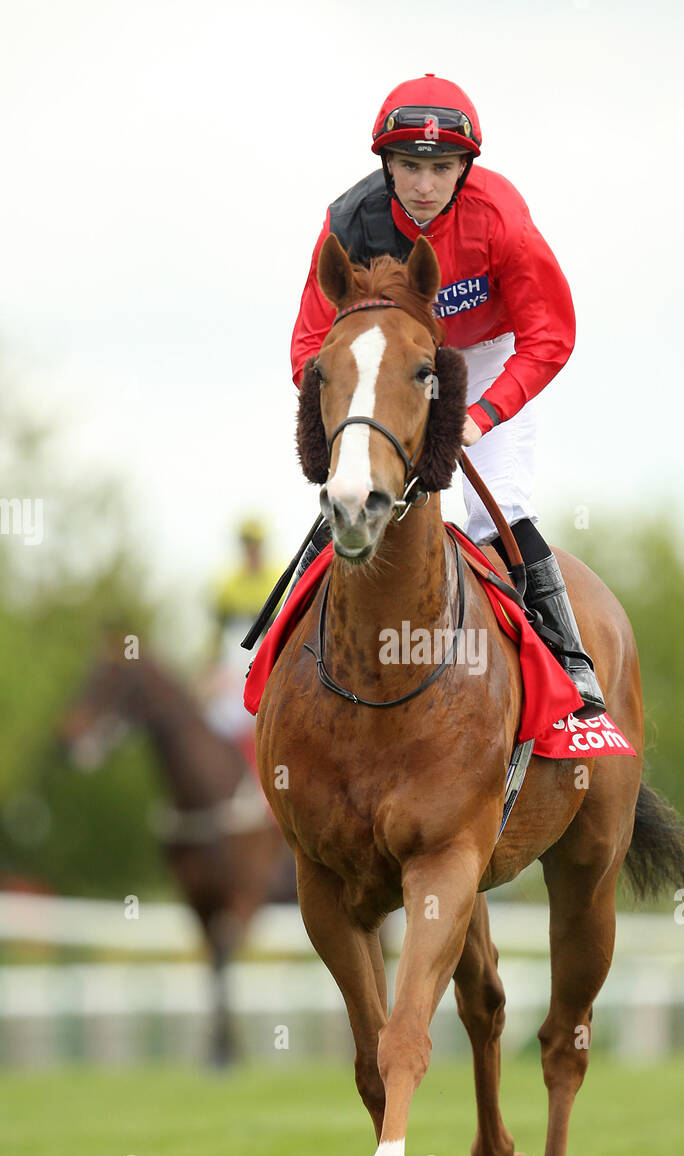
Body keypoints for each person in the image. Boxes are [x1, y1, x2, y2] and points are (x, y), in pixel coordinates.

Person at [289, 74, 605, 716]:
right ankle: (280, 660)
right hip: (381, 368)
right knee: (346, 502)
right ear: (386, 164)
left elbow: (551, 335)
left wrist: (481, 416)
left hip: (485, 358)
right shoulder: (348, 222)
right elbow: (308, 350)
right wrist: (355, 417)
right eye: (409, 166)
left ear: (464, 165)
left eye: (442, 167)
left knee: (499, 516)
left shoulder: (501, 218)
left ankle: (573, 672)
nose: (425, 186)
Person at [203, 518, 285, 761]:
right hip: (233, 668)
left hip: (268, 664)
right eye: (247, 544)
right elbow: (218, 635)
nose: (251, 550)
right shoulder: (227, 586)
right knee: (216, 721)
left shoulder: (277, 579)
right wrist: (212, 670)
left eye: (255, 544)